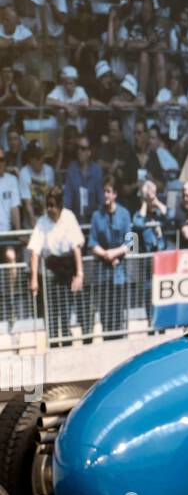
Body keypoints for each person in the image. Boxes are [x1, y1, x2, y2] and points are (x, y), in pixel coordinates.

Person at [27, 185, 84, 345]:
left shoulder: (69, 217)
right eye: (48, 205)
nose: (50, 209)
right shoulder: (42, 222)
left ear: (60, 205)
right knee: (51, 310)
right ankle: (52, 341)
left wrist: (79, 273)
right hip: (51, 267)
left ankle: (67, 341)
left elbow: (76, 247)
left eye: (53, 205)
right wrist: (34, 280)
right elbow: (35, 252)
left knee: (66, 308)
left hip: (67, 266)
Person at [89, 176, 132, 338]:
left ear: (114, 194)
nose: (105, 195)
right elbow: (92, 244)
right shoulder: (96, 216)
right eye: (103, 191)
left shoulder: (125, 214)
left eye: (108, 191)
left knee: (118, 314)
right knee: (105, 316)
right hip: (102, 274)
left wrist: (115, 253)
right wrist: (106, 255)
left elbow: (131, 243)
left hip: (119, 274)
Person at [63, 134, 103, 226]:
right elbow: (67, 201)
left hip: (93, 223)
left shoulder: (96, 171)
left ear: (89, 152)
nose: (79, 151)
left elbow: (101, 201)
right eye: (78, 148)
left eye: (83, 148)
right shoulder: (71, 170)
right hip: (74, 223)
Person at [19, 140, 55, 228]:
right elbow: (28, 206)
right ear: (30, 159)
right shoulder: (24, 173)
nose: (41, 160)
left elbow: (52, 199)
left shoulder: (49, 170)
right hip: (31, 225)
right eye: (38, 157)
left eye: (42, 156)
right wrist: (35, 230)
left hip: (48, 223)